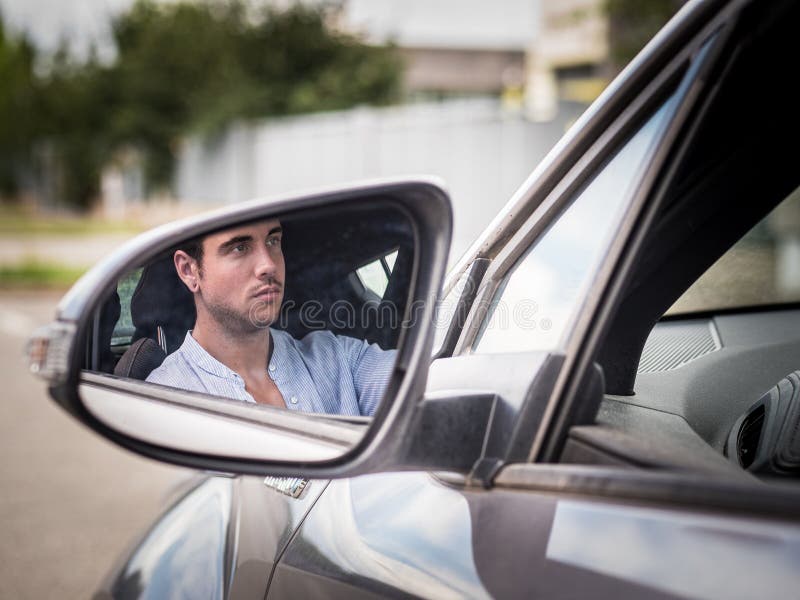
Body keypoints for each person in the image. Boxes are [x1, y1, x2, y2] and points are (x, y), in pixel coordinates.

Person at [146, 218, 395, 416]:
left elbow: (419, 382)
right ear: (189, 270)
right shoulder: (164, 401)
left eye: (273, 241)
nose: (269, 265)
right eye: (240, 247)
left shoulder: (335, 357)